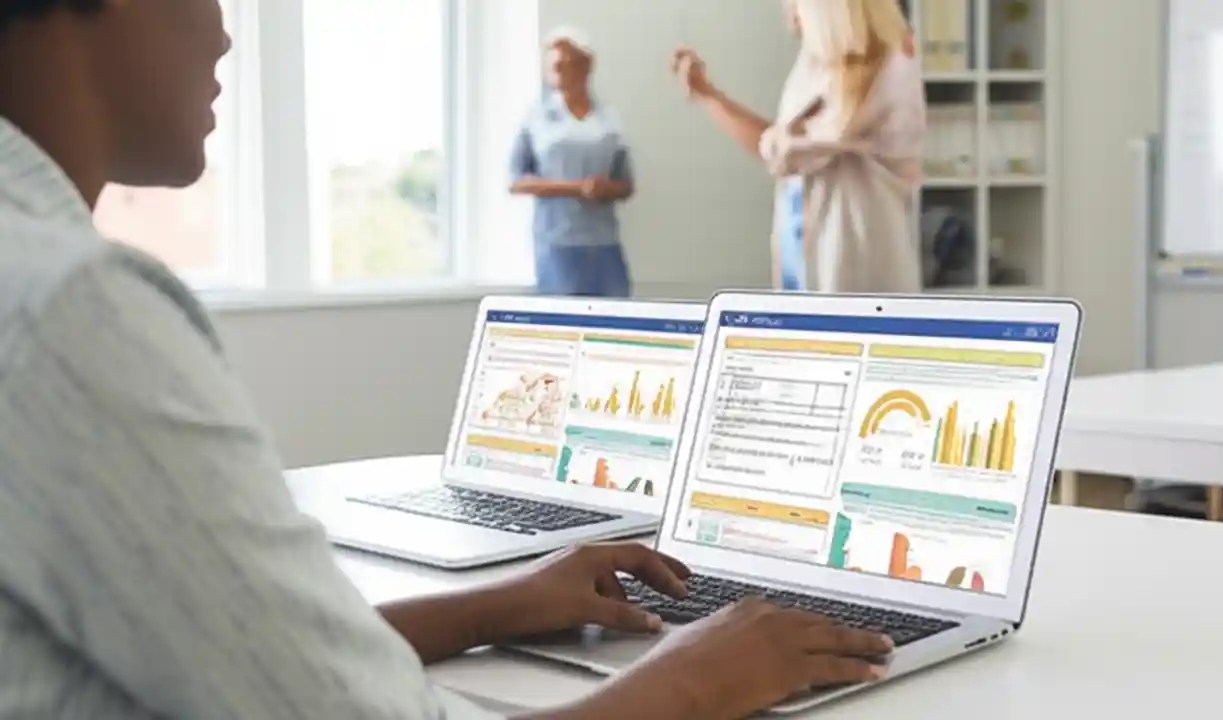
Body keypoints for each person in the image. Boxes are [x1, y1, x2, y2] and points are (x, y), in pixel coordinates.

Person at [0, 2, 893, 718]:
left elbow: (214, 651)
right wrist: (703, 679)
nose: (228, 28)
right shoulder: (74, 308)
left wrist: (489, 606)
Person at [672, 0, 926, 293]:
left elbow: (782, 149)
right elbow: (779, 146)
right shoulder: (817, 65)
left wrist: (710, 97)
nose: (787, 9)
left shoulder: (885, 63)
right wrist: (708, 94)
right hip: (804, 259)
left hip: (855, 272)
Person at [510, 28, 635, 298]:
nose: (563, 72)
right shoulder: (536, 119)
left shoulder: (608, 119)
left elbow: (626, 183)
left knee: (617, 325)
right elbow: (517, 181)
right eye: (556, 66)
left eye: (571, 65)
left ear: (586, 67)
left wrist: (606, 189)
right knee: (563, 329)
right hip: (558, 244)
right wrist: (577, 188)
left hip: (605, 243)